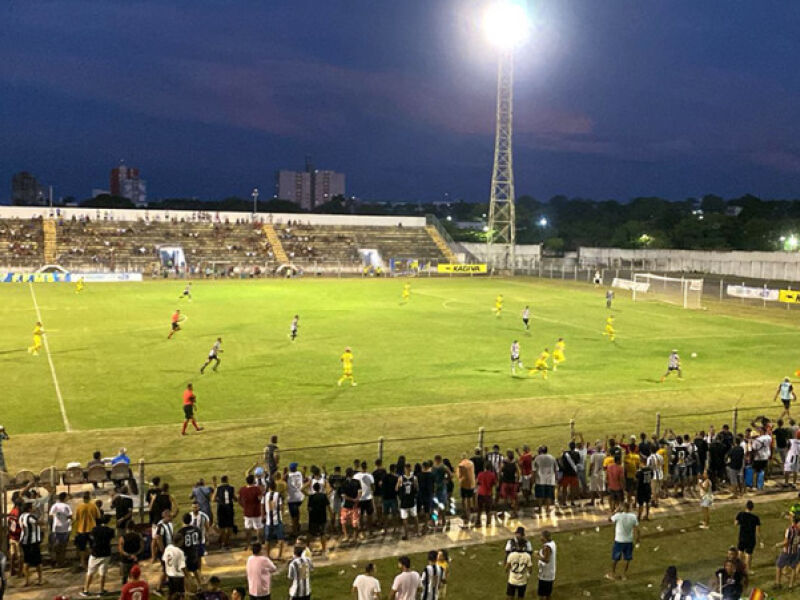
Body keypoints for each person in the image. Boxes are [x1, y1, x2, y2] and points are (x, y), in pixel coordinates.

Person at [80, 514, 115, 596]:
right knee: (103, 573)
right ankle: (101, 590)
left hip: (96, 552)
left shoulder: (95, 529)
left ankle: (86, 590)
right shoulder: (110, 530)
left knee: (90, 572)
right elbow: (111, 538)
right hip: (106, 553)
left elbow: (91, 537)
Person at [606, 504, 640, 581]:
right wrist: (638, 540)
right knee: (627, 559)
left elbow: (609, 519)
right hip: (629, 540)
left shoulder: (618, 516)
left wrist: (615, 511)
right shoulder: (633, 516)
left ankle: (612, 574)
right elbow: (638, 530)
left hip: (619, 540)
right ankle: (624, 575)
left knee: (615, 558)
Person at [73, 491, 101, 569]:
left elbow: (77, 518)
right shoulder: (93, 506)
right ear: (89, 498)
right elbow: (98, 517)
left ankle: (83, 563)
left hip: (81, 529)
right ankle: (93, 562)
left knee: (82, 548)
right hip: (92, 529)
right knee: (93, 546)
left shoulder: (79, 506)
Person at [19, 501, 43, 587]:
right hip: (33, 541)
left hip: (24, 541)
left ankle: (27, 581)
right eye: (32, 507)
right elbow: (40, 522)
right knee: (38, 561)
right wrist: (39, 512)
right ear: (29, 508)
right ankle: (40, 580)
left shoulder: (21, 516)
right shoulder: (30, 516)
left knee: (26, 561)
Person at [177, 513, 202, 591]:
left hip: (185, 554)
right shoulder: (197, 529)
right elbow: (200, 540)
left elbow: (178, 543)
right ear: (191, 520)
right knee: (195, 570)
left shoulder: (181, 531)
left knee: (186, 573)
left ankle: (189, 588)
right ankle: (199, 586)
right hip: (194, 553)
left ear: (182, 520)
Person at [734, 501, 761, 574]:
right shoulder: (755, 518)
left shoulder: (741, 514)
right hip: (751, 538)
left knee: (740, 552)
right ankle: (747, 569)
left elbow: (736, 523)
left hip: (742, 536)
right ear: (752, 508)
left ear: (746, 506)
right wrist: (760, 540)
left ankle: (738, 568)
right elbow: (758, 530)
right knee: (748, 554)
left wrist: (741, 523)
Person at [774, 515, 800, 589]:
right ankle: (791, 585)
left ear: (793, 521)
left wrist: (777, 545)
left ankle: (778, 583)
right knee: (793, 568)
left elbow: (786, 542)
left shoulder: (789, 530)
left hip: (787, 552)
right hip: (795, 551)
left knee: (778, 566)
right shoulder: (798, 530)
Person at [305, 482, 331, 553]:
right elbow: (328, 506)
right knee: (323, 533)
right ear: (320, 488)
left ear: (313, 488)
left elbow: (309, 508)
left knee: (310, 533)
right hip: (322, 516)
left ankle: (307, 548)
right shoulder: (324, 496)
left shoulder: (311, 497)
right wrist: (331, 514)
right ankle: (324, 549)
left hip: (313, 517)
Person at [263, 480, 286, 560]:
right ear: (275, 487)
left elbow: (262, 506)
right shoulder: (278, 495)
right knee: (280, 538)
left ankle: (267, 555)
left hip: (268, 520)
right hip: (278, 520)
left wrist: (263, 516)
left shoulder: (265, 495)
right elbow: (281, 506)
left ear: (269, 487)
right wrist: (282, 514)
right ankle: (279, 555)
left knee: (267, 539)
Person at [48, 491, 72, 567]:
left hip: (56, 528)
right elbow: (70, 516)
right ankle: (62, 561)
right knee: (63, 546)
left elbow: (51, 515)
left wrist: (57, 517)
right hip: (65, 528)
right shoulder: (66, 506)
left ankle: (57, 561)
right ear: (65, 498)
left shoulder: (54, 506)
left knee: (57, 546)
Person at [397, 463, 419, 540]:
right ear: (410, 468)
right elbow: (416, 488)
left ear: (404, 469)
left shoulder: (401, 478)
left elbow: (396, 488)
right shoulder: (414, 478)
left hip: (404, 501)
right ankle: (417, 532)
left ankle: (406, 535)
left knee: (405, 519)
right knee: (415, 516)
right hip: (412, 500)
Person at [239, 474, 263, 546]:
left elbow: (238, 499)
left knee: (248, 528)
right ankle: (259, 542)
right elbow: (260, 499)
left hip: (247, 512)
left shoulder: (242, 489)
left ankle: (248, 543)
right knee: (258, 527)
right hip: (256, 511)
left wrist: (243, 506)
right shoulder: (256, 489)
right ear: (253, 480)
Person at [213, 475, 236, 549]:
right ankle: (226, 542)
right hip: (229, 508)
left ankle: (222, 543)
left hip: (221, 508)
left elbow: (213, 499)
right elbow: (235, 498)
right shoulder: (231, 488)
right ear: (227, 480)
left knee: (222, 527)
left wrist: (219, 501)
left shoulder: (218, 488)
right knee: (229, 527)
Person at [119, 520, 144, 586]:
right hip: (135, 559)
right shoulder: (138, 536)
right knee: (135, 576)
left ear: (126, 528)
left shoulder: (123, 537)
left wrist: (128, 555)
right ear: (133, 527)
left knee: (125, 577)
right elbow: (142, 547)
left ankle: (124, 590)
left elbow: (121, 550)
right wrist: (135, 554)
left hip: (125, 560)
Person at [340, 467, 362, 542]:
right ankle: (355, 537)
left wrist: (352, 499)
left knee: (344, 522)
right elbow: (360, 492)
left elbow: (343, 496)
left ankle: (346, 536)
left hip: (346, 505)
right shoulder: (357, 482)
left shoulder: (343, 483)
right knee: (355, 522)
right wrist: (357, 499)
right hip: (355, 505)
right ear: (352, 474)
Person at [533, 447, 557, 515]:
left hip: (540, 479)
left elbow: (534, 469)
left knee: (540, 495)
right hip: (550, 479)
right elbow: (556, 468)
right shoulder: (552, 457)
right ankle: (548, 508)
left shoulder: (537, 458)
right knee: (548, 495)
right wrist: (556, 478)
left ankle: (540, 509)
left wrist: (533, 479)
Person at [536, 530, 556, 600]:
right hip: (550, 573)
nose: (540, 538)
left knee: (542, 595)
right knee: (548, 594)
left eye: (541, 536)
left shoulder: (547, 547)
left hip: (545, 574)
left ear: (545, 538)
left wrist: (537, 556)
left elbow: (546, 560)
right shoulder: (552, 543)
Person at [457, 453, 476, 526]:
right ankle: (469, 513)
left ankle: (465, 513)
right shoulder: (471, 463)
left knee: (463, 499)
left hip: (464, 484)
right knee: (469, 499)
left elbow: (460, 475)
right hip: (471, 483)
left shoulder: (461, 465)